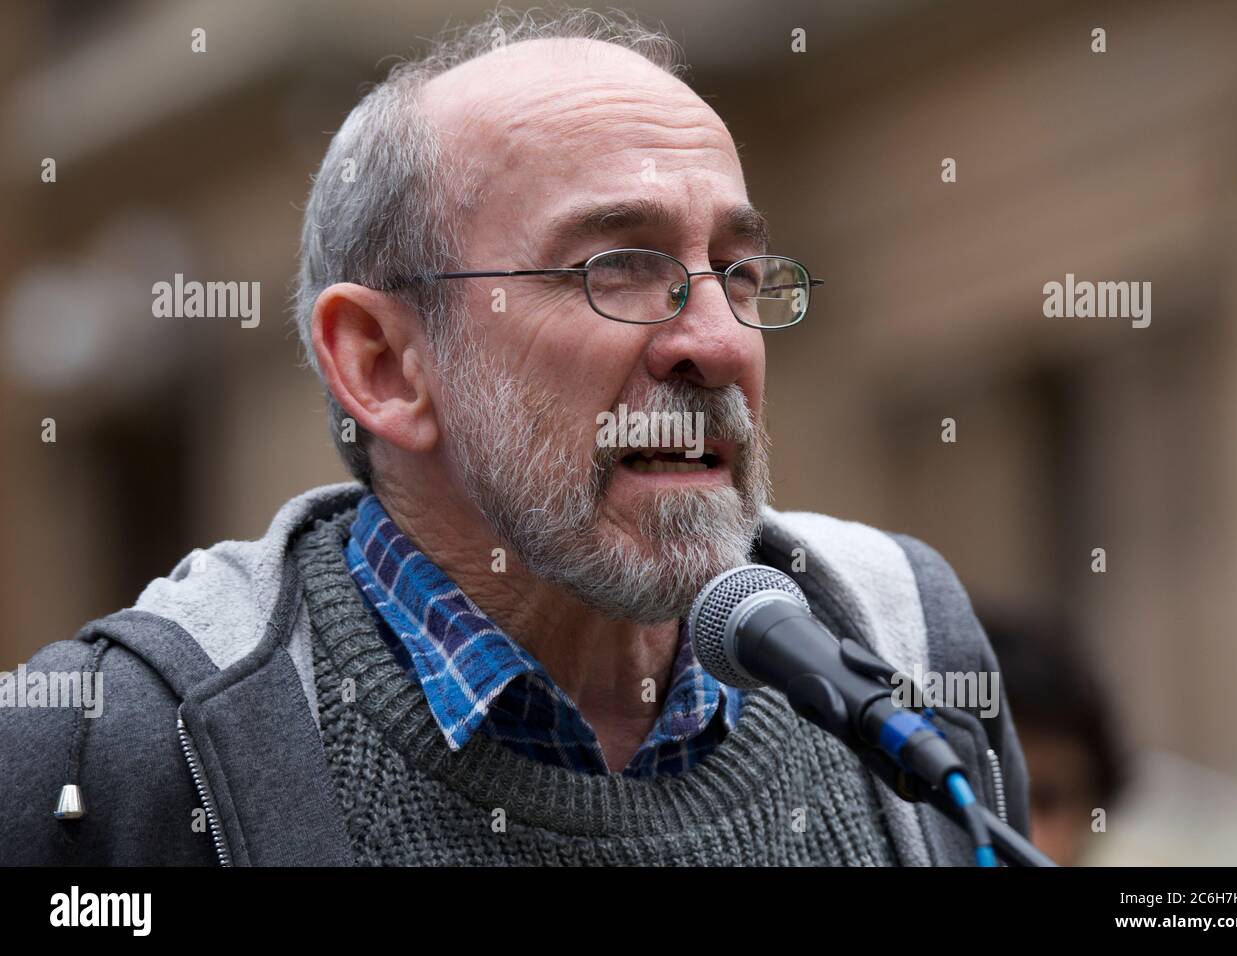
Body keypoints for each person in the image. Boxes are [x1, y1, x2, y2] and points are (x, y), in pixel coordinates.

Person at [0, 6, 1029, 866]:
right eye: (615, 267)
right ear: (383, 364)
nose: (718, 341)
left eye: (740, 271)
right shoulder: (117, 747)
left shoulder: (902, 640)